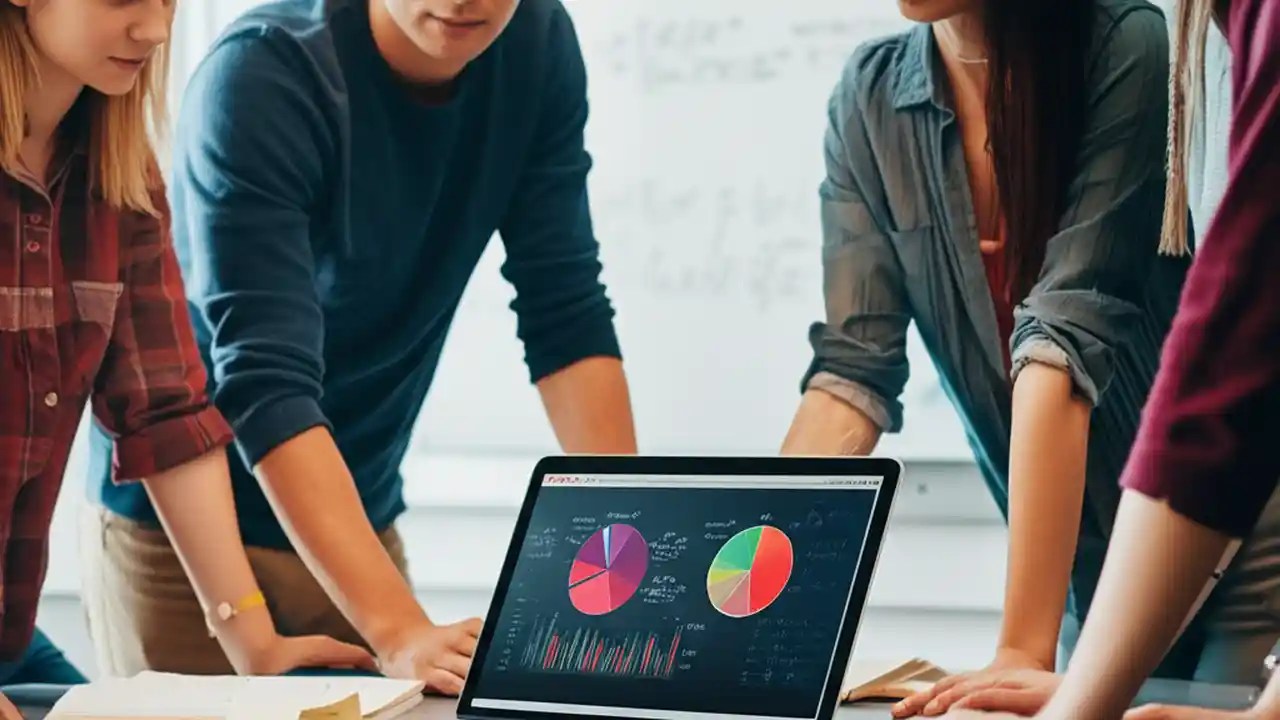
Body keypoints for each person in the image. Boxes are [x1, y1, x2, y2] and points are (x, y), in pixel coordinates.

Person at [80, 0, 637, 695]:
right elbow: (267, 386)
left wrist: (631, 535)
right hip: (188, 544)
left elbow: (566, 309)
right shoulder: (262, 75)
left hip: (358, 513)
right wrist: (397, 630)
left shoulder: (537, 43)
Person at [780, 0, 1280, 712]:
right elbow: (851, 371)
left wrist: (1020, 648)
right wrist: (758, 603)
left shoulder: (1126, 42)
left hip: (1233, 547)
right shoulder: (870, 96)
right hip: (1093, 580)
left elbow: (1061, 344)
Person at [0, 0, 374, 714]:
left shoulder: (120, 178)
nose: (156, 29)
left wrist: (252, 640)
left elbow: (166, 412)